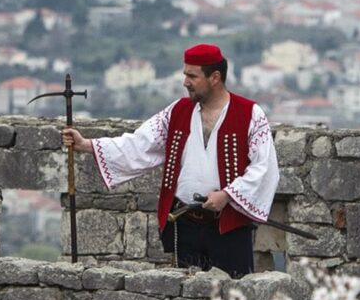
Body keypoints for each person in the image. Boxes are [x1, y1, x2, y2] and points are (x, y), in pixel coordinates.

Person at [61, 43, 278, 279]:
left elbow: (264, 168)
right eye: (185, 74)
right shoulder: (177, 111)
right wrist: (88, 145)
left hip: (228, 228)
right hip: (185, 225)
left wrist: (227, 195)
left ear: (215, 77)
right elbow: (140, 143)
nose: (185, 82)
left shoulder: (250, 114)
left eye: (192, 76)